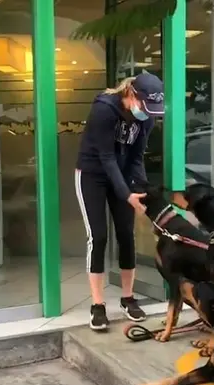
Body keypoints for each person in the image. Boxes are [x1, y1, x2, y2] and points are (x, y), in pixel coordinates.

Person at [74, 73, 165, 331]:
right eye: (144, 105)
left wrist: (142, 191)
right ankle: (98, 305)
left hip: (121, 174)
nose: (147, 113)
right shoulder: (104, 109)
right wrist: (126, 194)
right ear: (131, 94)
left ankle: (128, 298)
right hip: (91, 174)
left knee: (126, 235)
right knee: (98, 237)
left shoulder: (146, 118)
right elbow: (106, 157)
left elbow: (136, 158)